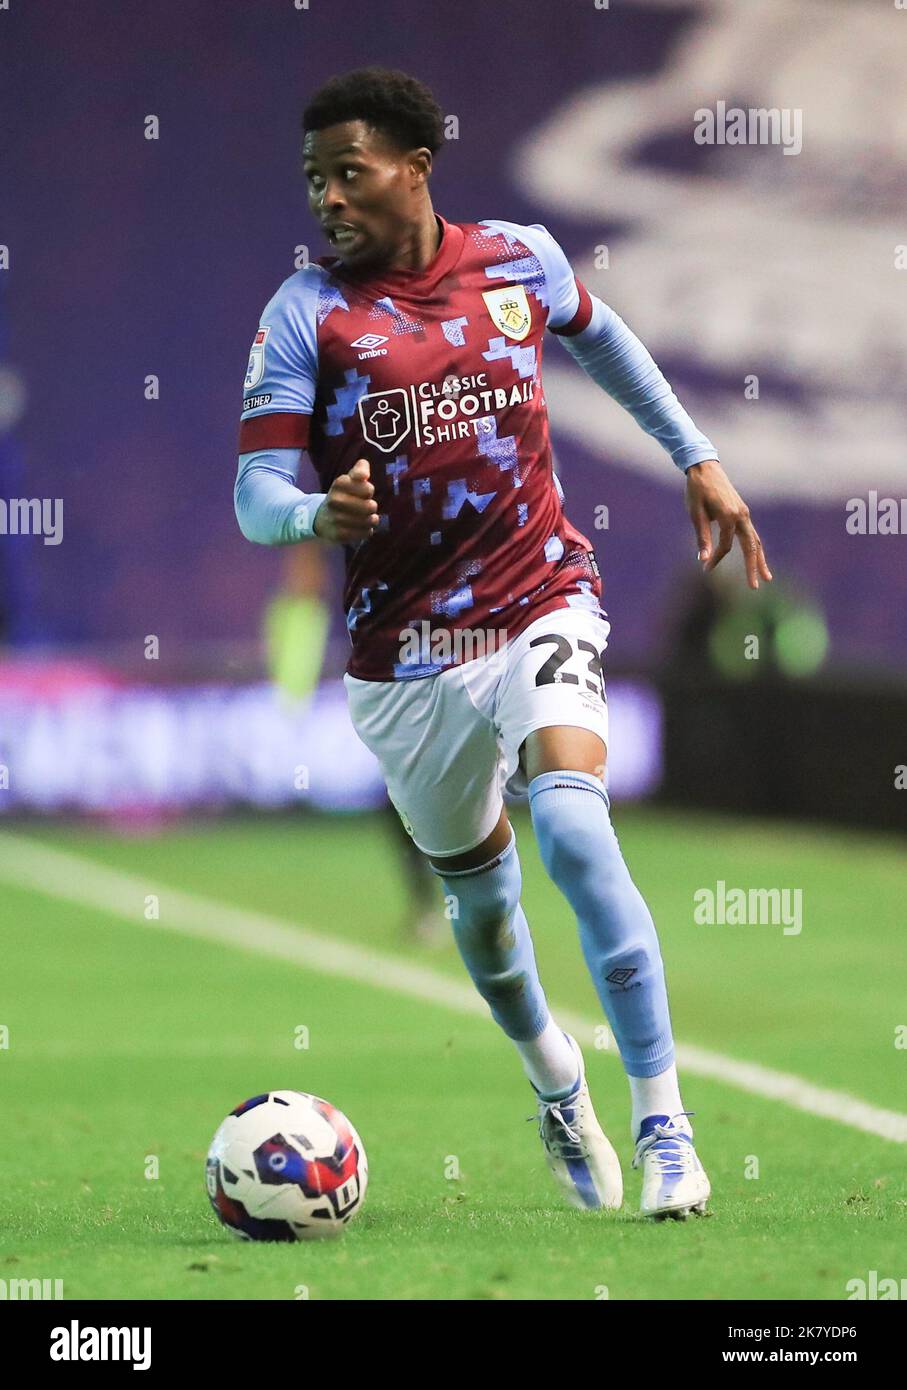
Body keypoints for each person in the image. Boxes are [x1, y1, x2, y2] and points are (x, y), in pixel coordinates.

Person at [235, 67, 772, 1218]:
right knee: (483, 914)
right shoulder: (306, 317)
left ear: (416, 169)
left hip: (538, 595)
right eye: (314, 178)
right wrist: (310, 515)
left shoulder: (516, 259)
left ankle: (665, 1123)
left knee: (575, 831)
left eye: (350, 172)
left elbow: (607, 339)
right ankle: (556, 1084)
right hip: (404, 653)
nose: (327, 197)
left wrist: (696, 453)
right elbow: (251, 490)